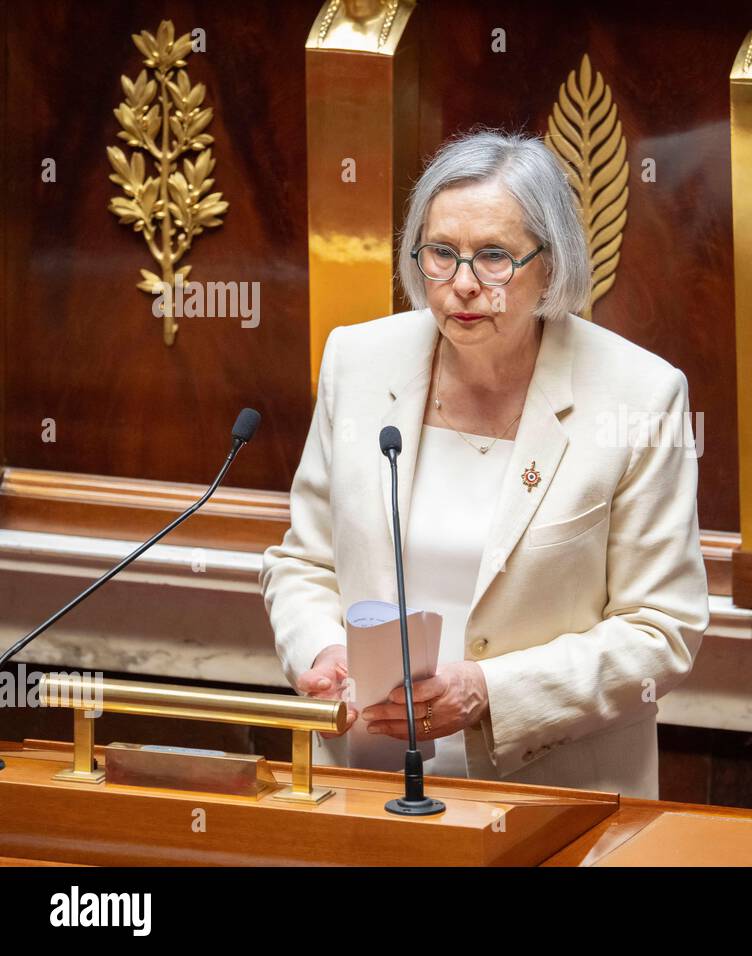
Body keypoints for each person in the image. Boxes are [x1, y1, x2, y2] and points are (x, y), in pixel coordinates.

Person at [260, 130, 709, 799]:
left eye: (494, 258)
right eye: (442, 254)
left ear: (551, 268)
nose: (463, 285)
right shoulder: (358, 363)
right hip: (364, 778)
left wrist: (488, 691)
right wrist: (322, 651)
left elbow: (661, 629)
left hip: (552, 795)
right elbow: (304, 564)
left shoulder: (639, 396)